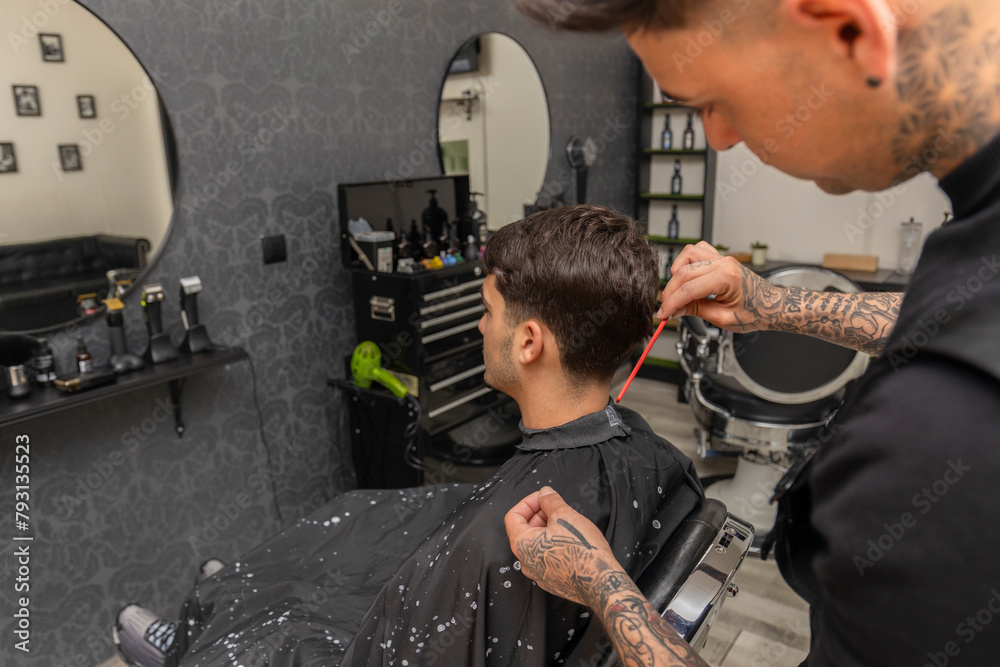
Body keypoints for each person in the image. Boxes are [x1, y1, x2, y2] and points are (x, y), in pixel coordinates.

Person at [506, 0, 1000, 665]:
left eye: (713, 101)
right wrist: (771, 303)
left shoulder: (938, 443)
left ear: (846, 29)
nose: (718, 139)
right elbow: (955, 314)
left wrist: (605, 589)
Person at [113, 204, 704, 667]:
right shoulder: (650, 452)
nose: (480, 325)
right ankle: (237, 594)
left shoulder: (494, 545)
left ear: (528, 342)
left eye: (487, 309)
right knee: (349, 524)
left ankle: (205, 636)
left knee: (284, 626)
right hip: (456, 586)